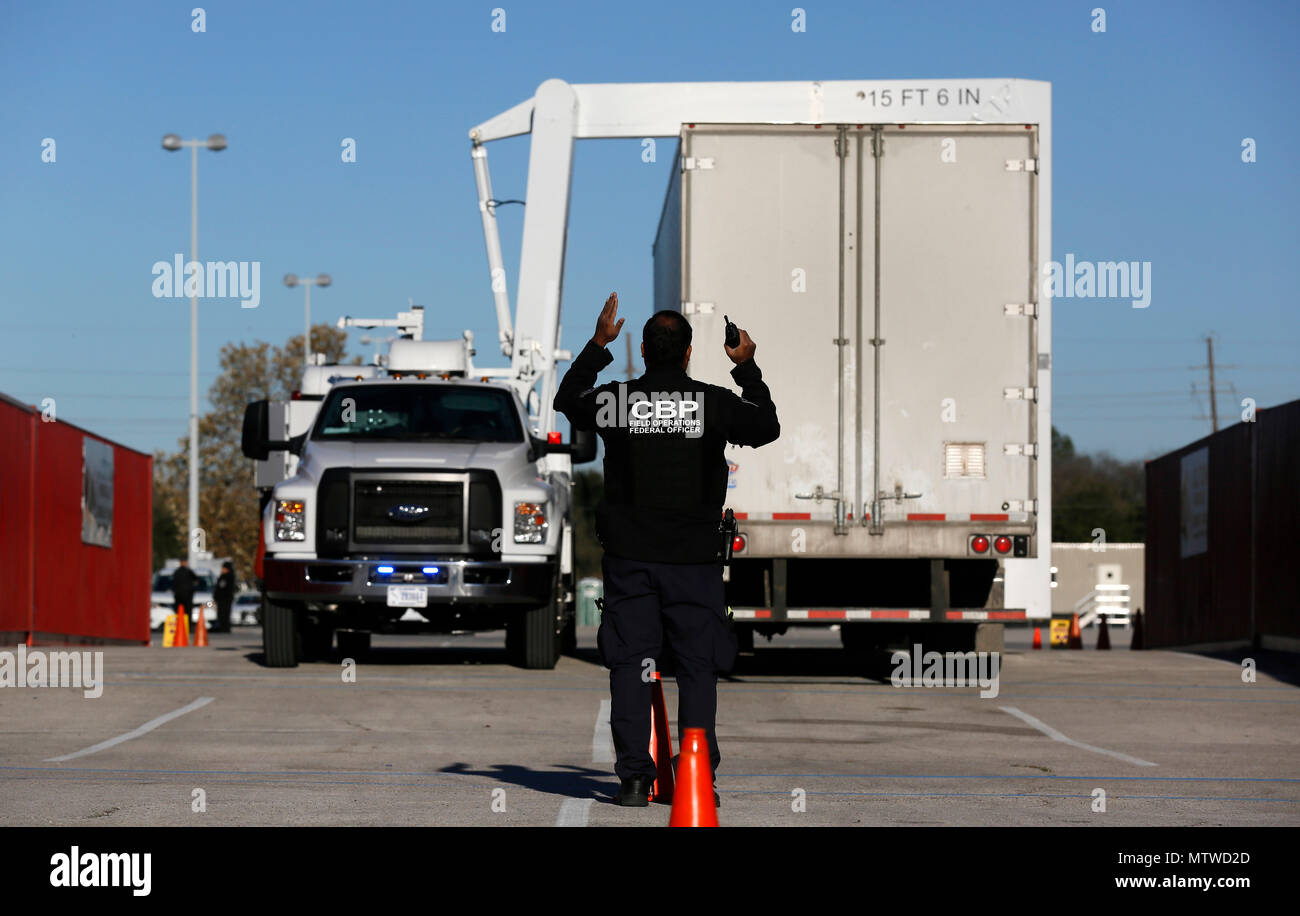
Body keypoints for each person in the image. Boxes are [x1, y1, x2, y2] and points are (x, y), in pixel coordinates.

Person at [554, 293, 780, 807]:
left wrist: (597, 345)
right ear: (688, 353)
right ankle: (697, 773)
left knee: (631, 664)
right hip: (695, 562)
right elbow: (766, 427)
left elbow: (567, 399)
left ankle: (635, 779)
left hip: (630, 560)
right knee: (698, 666)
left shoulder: (615, 401)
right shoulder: (714, 403)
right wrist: (746, 368)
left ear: (647, 351)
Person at [171, 559, 197, 630]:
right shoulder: (188, 571)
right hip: (187, 596)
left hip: (179, 596)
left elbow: (173, 584)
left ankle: (179, 625)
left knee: (179, 611)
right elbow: (196, 580)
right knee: (187, 612)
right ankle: (187, 626)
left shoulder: (177, 572)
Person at [213, 561, 236, 633]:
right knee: (222, 613)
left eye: (223, 568)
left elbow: (222, 588)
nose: (222, 570)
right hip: (223, 599)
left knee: (224, 614)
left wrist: (217, 596)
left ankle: (225, 628)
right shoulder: (224, 576)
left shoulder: (227, 577)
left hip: (225, 599)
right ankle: (223, 627)